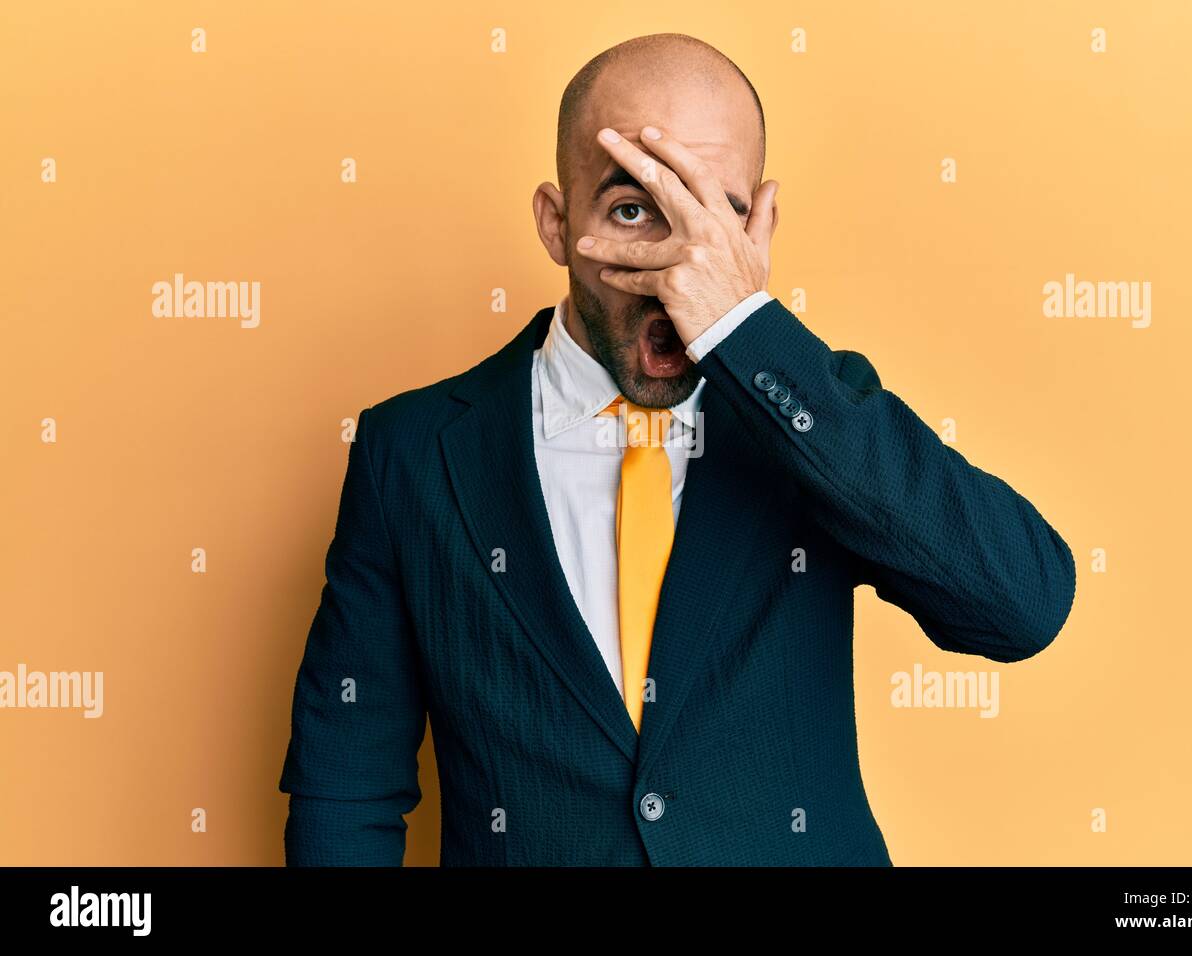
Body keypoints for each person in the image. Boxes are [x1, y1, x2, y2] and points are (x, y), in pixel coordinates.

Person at [277, 32, 1076, 866]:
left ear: (759, 224)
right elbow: (346, 785)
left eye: (714, 216)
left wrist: (748, 328)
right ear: (556, 224)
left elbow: (1021, 605)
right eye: (633, 210)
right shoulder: (409, 454)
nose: (677, 267)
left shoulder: (815, 421)